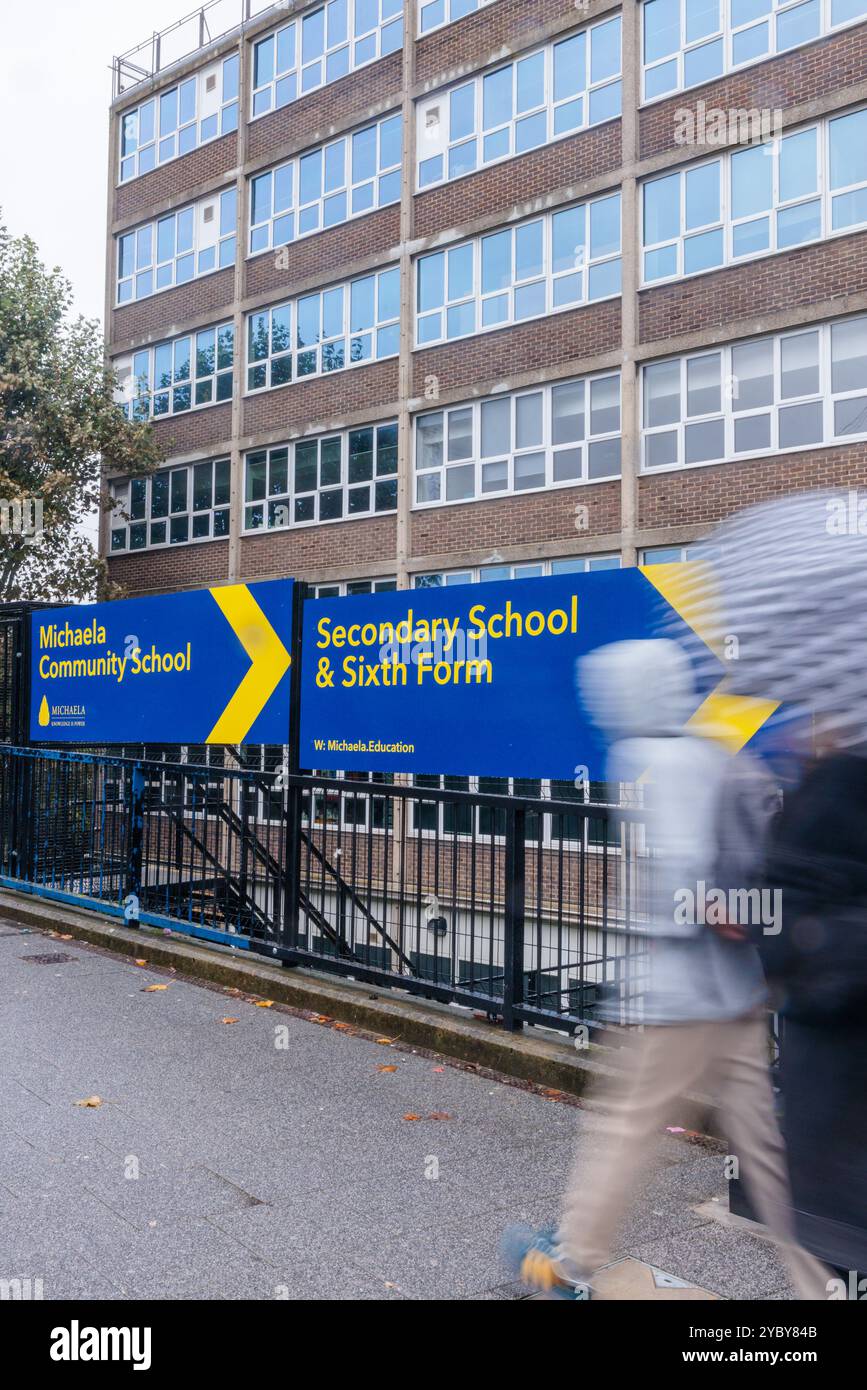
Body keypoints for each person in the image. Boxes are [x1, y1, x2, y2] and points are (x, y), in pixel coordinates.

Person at [510, 636, 829, 1300]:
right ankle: (818, 1287)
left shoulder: (649, 757)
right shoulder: (708, 754)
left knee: (622, 1131)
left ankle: (569, 1266)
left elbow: (686, 872)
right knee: (764, 1156)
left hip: (675, 997)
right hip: (738, 991)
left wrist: (694, 916)